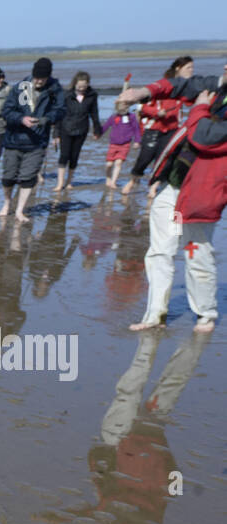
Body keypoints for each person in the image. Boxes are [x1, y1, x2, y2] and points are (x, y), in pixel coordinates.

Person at [118, 62, 227, 333]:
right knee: (159, 250)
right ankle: (155, 314)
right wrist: (144, 91)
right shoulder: (219, 87)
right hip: (173, 183)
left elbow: (205, 136)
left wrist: (200, 107)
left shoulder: (211, 100)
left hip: (202, 191)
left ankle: (205, 313)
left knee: (196, 251)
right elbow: (181, 85)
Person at [0, 57, 65, 221]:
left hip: (37, 142)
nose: (39, 81)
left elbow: (61, 110)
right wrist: (21, 119)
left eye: (42, 79)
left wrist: (46, 119)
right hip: (14, 140)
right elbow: (7, 111)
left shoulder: (55, 90)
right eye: (36, 78)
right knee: (8, 177)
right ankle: (7, 203)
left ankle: (19, 211)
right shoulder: (20, 88)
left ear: (48, 77)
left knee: (28, 178)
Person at [122, 56, 193, 196]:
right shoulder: (160, 88)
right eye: (189, 68)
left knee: (164, 159)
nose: (191, 71)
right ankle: (133, 180)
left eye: (192, 68)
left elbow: (190, 104)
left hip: (172, 129)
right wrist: (156, 112)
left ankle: (154, 186)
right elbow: (142, 107)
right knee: (145, 158)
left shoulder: (185, 89)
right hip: (154, 128)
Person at [54, 71, 102, 190]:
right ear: (74, 83)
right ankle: (60, 183)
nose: (81, 88)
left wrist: (97, 129)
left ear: (88, 84)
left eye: (84, 86)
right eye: (79, 86)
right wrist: (56, 134)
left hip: (82, 129)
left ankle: (69, 182)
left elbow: (94, 113)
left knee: (74, 156)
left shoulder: (92, 95)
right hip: (66, 129)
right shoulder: (66, 95)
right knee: (64, 155)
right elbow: (59, 115)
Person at [101, 99, 142, 188]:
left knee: (118, 163)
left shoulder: (131, 117)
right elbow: (105, 126)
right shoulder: (114, 117)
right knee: (109, 164)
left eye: (125, 108)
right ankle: (108, 177)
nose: (123, 110)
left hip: (125, 144)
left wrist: (137, 141)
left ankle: (113, 182)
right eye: (121, 109)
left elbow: (136, 129)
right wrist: (98, 133)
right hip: (113, 144)